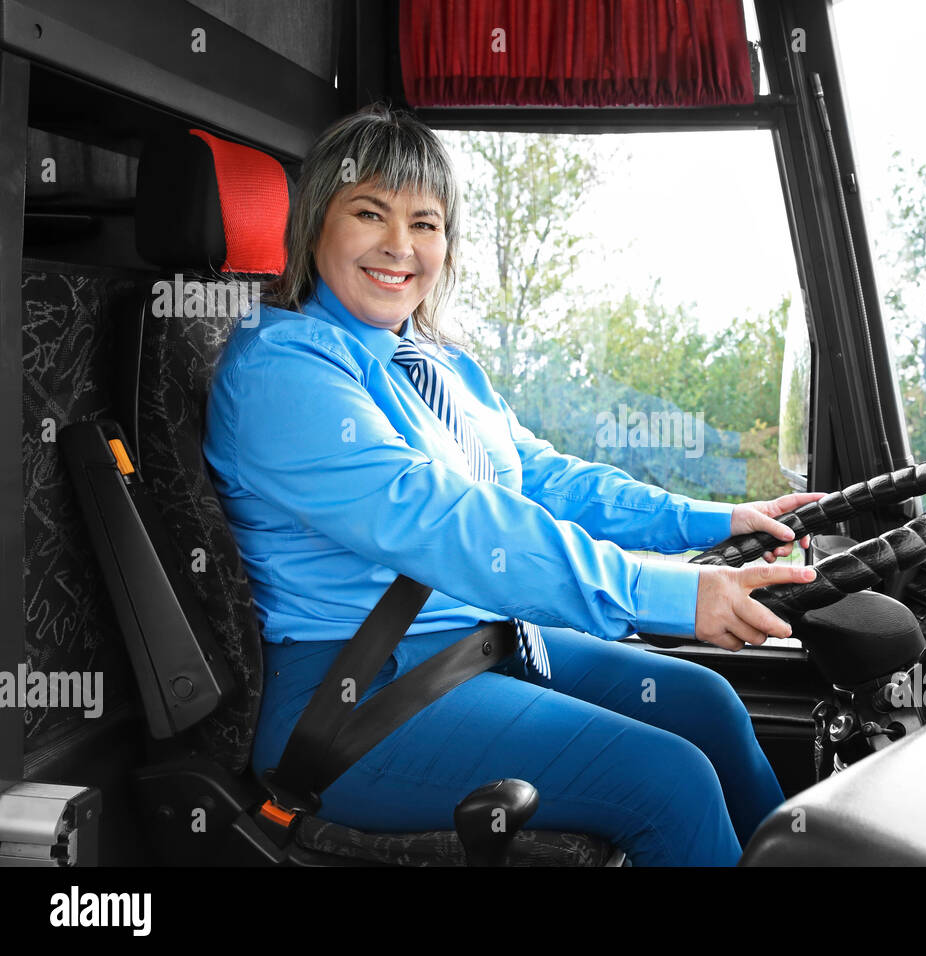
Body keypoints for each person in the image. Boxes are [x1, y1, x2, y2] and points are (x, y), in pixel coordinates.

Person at [203, 104, 823, 866]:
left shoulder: (437, 364)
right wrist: (667, 595)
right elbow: (447, 519)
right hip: (357, 692)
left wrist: (709, 521)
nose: (400, 245)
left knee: (708, 706)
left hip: (485, 648)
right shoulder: (283, 369)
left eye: (425, 223)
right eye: (370, 213)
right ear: (315, 226)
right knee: (670, 777)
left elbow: (536, 477)